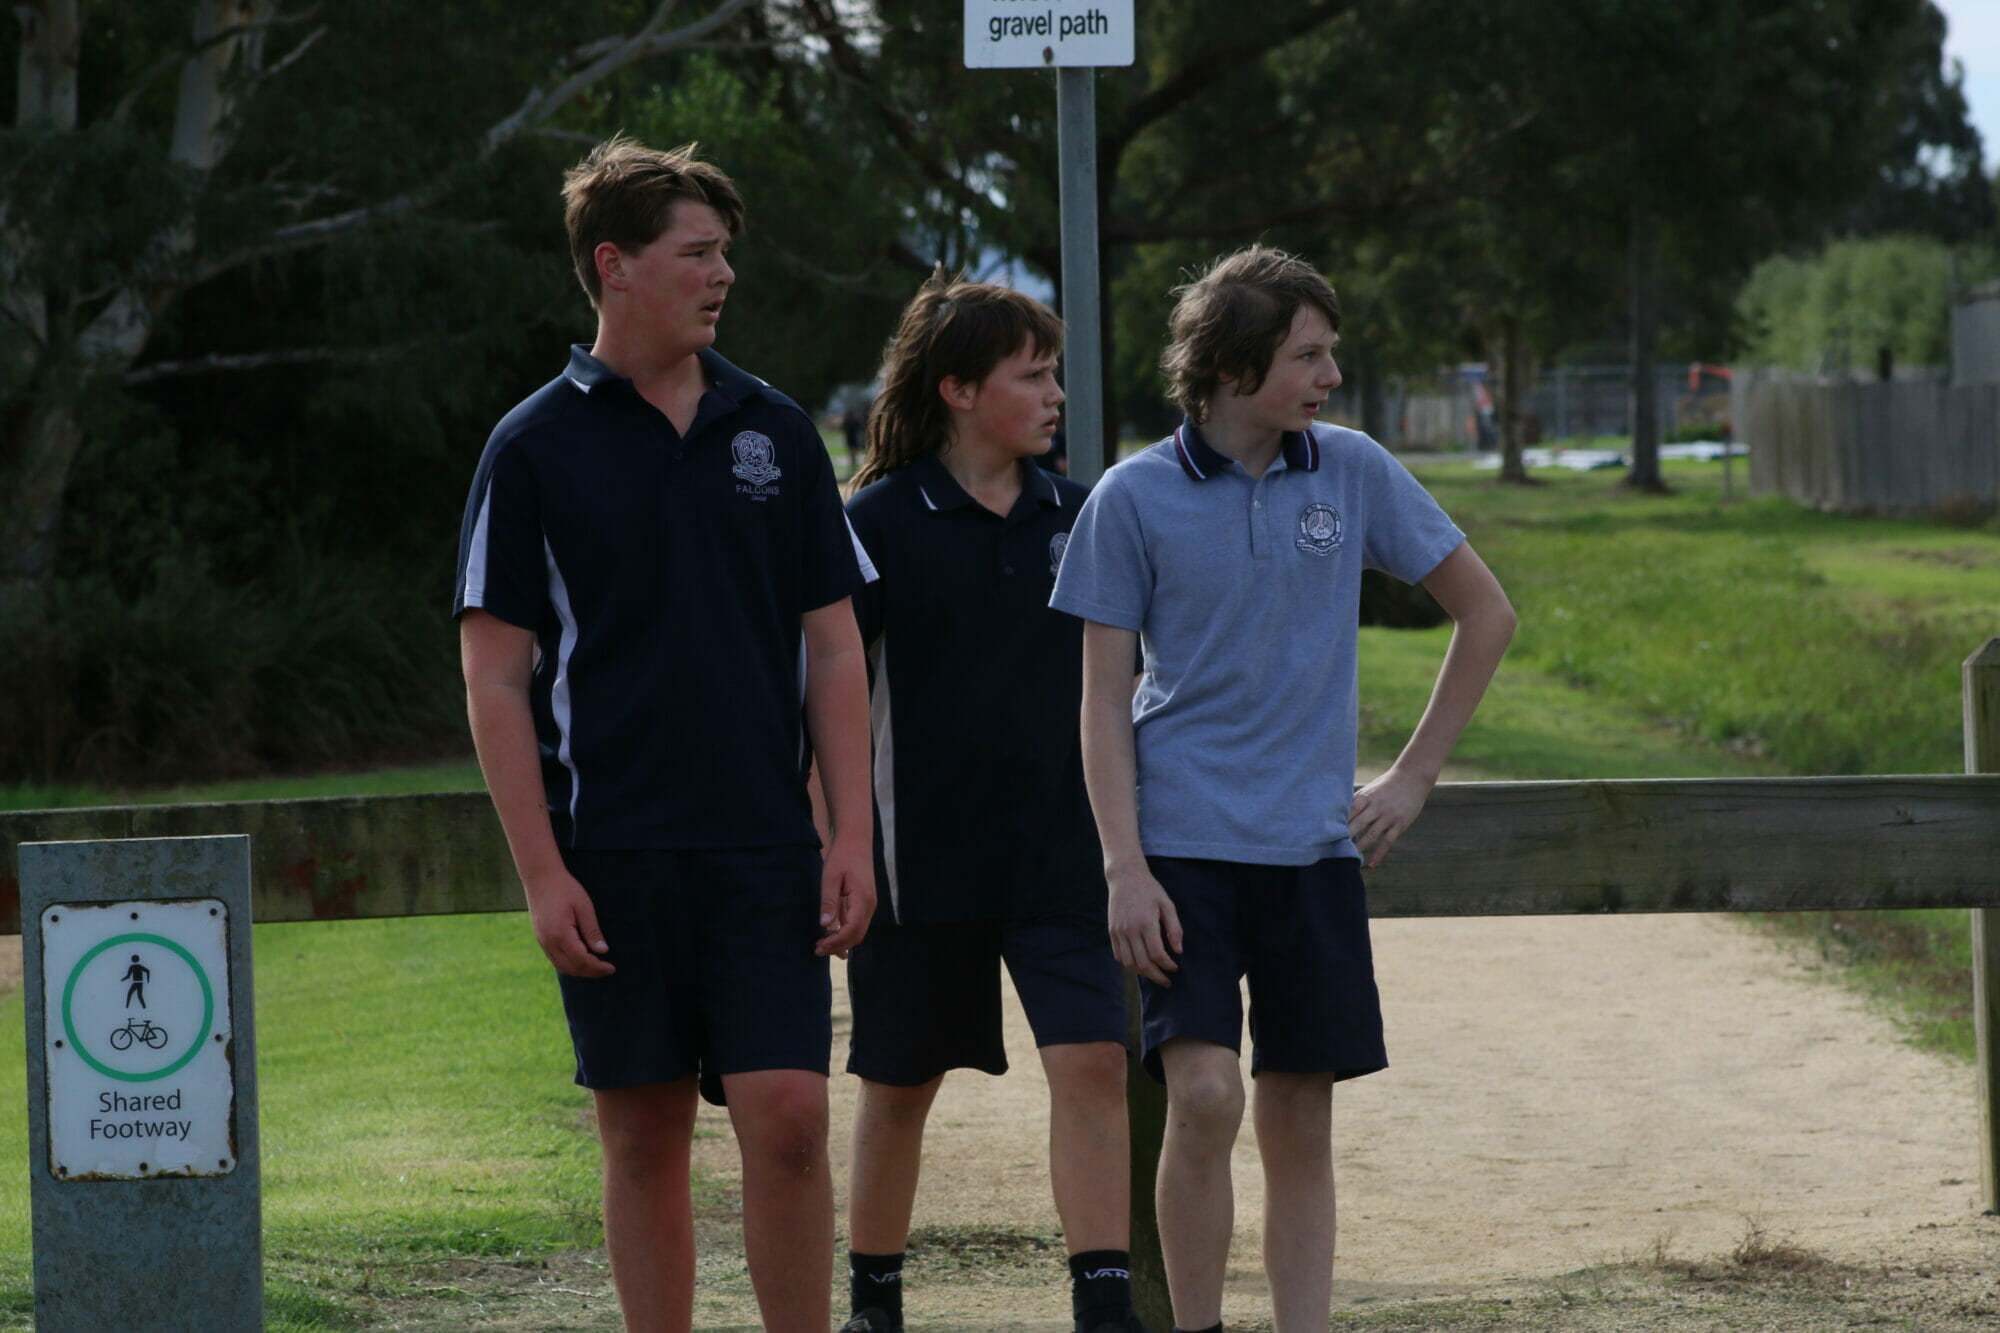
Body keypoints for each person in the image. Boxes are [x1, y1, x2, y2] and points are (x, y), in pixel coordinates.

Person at [454, 136, 876, 1333]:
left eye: (723, 253)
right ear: (614, 264)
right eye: (695, 252)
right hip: (613, 855)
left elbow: (835, 646)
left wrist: (851, 834)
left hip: (763, 850)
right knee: (641, 1135)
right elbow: (493, 679)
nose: (720, 274)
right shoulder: (531, 445)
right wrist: (542, 873)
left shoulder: (776, 429)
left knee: (789, 1117)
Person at [1050, 245, 1515, 1333]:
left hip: (1312, 852)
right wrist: (1122, 868)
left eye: (1327, 352)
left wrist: (1412, 773)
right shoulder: (1130, 497)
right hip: (1180, 852)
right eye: (1306, 354)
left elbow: (1484, 614)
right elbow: (1098, 703)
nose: (1328, 375)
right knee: (1204, 1096)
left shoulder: (1348, 469)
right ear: (1227, 366)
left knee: (1298, 1116)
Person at [839, 272, 1147, 1333]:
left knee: (1093, 1062)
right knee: (896, 1085)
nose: (1056, 393)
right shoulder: (874, 521)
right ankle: (873, 1300)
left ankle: (1101, 1301)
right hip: (917, 863)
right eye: (1033, 373)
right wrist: (829, 840)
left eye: (1055, 371)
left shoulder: (1087, 514)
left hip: (1065, 854)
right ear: (960, 388)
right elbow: (825, 699)